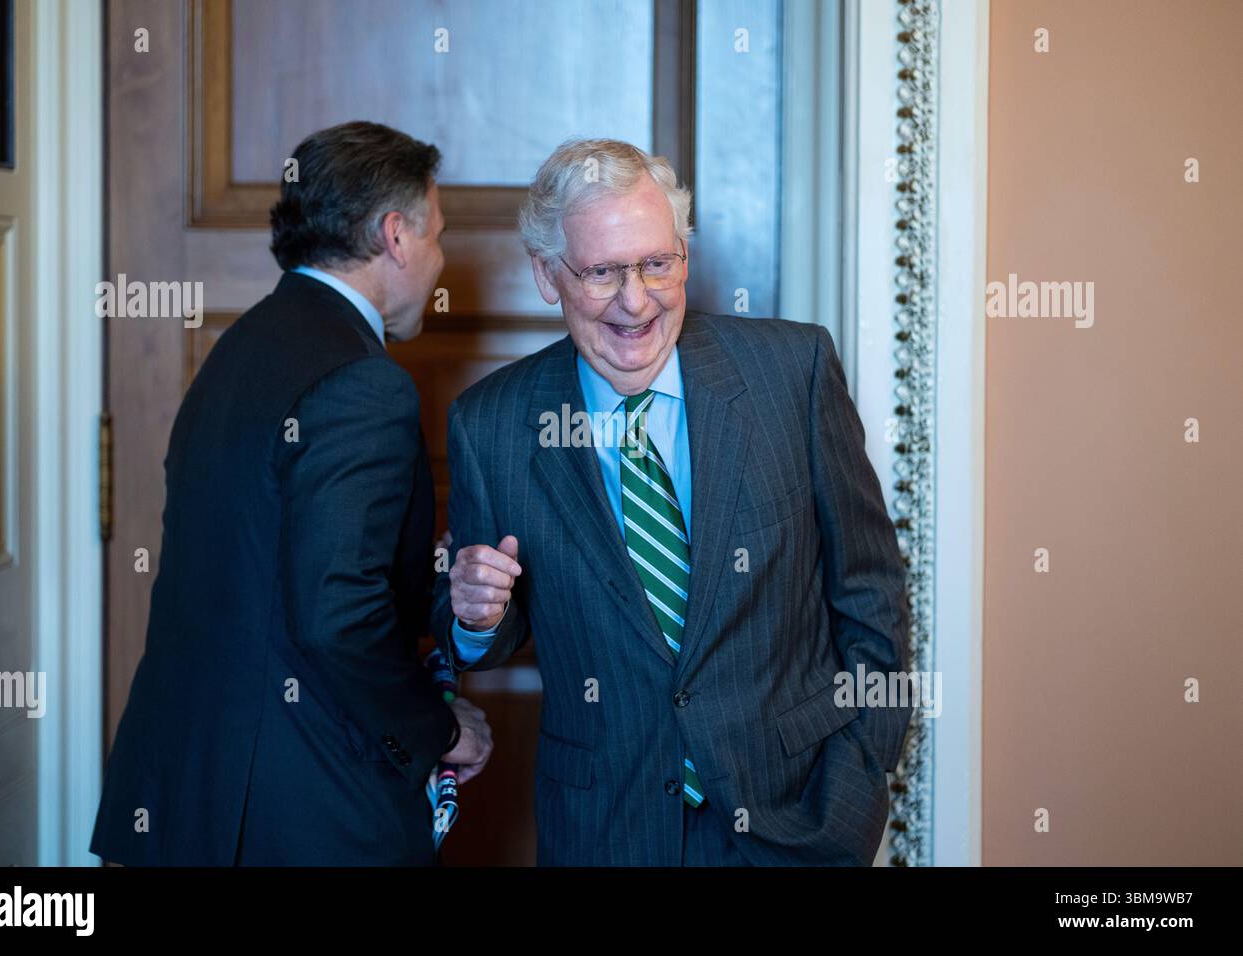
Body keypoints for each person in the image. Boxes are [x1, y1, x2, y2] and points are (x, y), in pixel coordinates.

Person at [434, 138, 911, 866]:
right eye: (601, 272)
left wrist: (860, 773)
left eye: (658, 263)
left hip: (799, 821)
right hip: (608, 831)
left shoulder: (793, 372)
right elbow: (489, 631)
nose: (636, 300)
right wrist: (475, 615)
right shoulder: (489, 426)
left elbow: (869, 584)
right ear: (545, 274)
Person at [91, 121, 491, 866]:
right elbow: (337, 611)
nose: (438, 261)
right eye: (436, 237)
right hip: (298, 805)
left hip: (187, 786)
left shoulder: (236, 348)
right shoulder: (363, 382)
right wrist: (437, 728)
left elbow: (269, 554)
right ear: (395, 235)